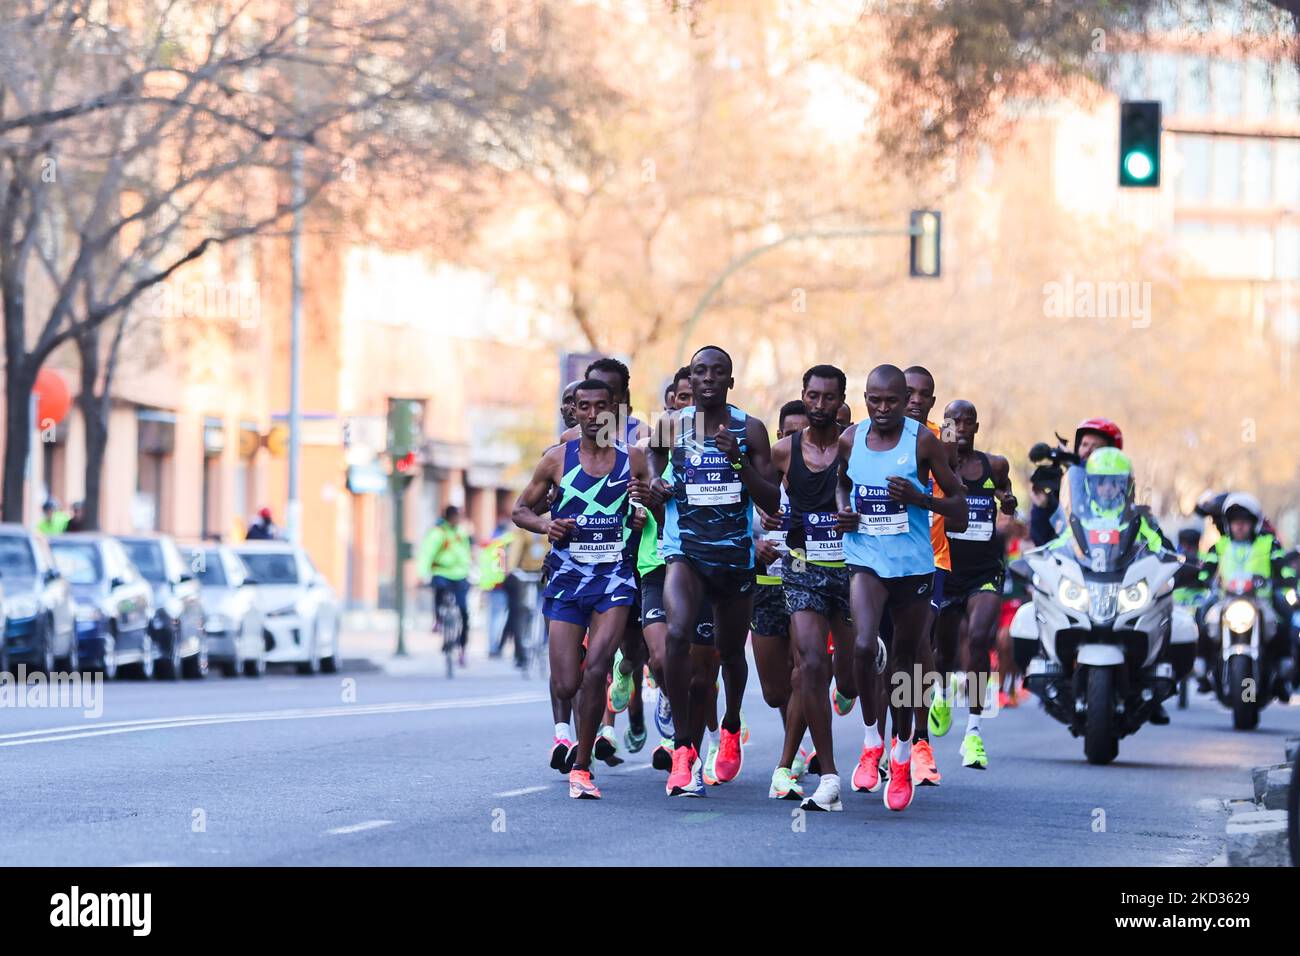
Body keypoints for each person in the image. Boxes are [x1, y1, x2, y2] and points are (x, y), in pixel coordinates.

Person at [816, 364, 966, 815]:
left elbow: (958, 510)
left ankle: (903, 754)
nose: (882, 410)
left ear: (906, 402)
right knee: (863, 645)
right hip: (865, 557)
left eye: (892, 402)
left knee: (905, 661)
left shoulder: (923, 442)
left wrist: (922, 499)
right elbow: (841, 482)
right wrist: (845, 511)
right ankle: (870, 741)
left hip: (915, 566)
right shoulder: (851, 438)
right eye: (874, 401)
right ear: (864, 399)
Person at [643, 345, 780, 796]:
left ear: (730, 381)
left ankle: (732, 724)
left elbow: (772, 500)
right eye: (700, 371)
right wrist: (658, 482)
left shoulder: (751, 429)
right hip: (685, 550)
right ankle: (684, 748)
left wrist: (738, 460)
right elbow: (652, 460)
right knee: (678, 635)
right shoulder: (671, 425)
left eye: (716, 372)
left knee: (729, 653)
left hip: (735, 556)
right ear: (691, 378)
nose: (707, 379)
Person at [512, 379, 649, 799]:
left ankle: (583, 766)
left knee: (596, 671)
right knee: (567, 681)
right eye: (584, 406)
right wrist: (545, 525)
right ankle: (570, 736)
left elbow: (651, 504)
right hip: (568, 579)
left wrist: (643, 513)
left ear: (614, 411)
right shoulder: (556, 460)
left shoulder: (635, 459)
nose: (592, 415)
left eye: (601, 406)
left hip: (614, 579)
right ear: (576, 410)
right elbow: (520, 509)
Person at [773, 368, 856, 805]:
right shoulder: (784, 451)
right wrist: (761, 530)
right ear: (803, 397)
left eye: (828, 397)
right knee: (809, 665)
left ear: (841, 400)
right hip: (803, 566)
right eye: (812, 396)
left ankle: (866, 657)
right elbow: (756, 494)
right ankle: (829, 775)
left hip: (854, 568)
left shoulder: (859, 447)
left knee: (849, 677)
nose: (820, 404)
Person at [934, 399, 1018, 771]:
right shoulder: (934, 461)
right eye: (954, 421)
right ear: (944, 425)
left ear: (977, 427)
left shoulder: (992, 464)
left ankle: (974, 732)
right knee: (942, 651)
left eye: (968, 422)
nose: (961, 428)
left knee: (981, 637)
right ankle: (937, 692)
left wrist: (1007, 501)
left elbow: (1003, 488)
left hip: (984, 569)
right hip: (944, 568)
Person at [753, 398, 812, 798]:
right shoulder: (760, 478)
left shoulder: (820, 474)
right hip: (765, 586)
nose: (793, 439)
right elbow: (731, 521)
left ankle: (788, 761)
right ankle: (795, 726)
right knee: (776, 690)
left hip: (805, 583)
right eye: (787, 431)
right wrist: (755, 543)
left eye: (801, 433)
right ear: (778, 436)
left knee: (803, 672)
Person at [1196, 492, 1296, 700]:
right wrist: (1203, 578)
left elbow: (1284, 570)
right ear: (1228, 524)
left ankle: (1283, 671)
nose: (1239, 527)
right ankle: (1201, 664)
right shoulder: (1220, 546)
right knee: (1202, 611)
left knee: (1285, 613)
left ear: (1254, 524)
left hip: (1260, 601)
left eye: (1244, 522)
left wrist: (1284, 579)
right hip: (1226, 600)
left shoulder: (1269, 544)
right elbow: (1205, 571)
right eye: (1235, 522)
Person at [1029, 418, 1122, 546]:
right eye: (1084, 445)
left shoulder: (1118, 489)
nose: (1088, 450)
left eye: (1096, 447)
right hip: (1076, 562)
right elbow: (1043, 541)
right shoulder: (1066, 484)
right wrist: (1042, 507)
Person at [417, 505, 474, 667]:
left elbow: (468, 552)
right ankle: (439, 618)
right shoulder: (438, 533)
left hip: (460, 574)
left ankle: (462, 649)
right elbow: (426, 553)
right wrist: (422, 574)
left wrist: (472, 570)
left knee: (464, 612)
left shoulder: (462, 532)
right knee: (439, 588)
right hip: (441, 571)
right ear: (449, 517)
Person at [480, 514, 514, 658]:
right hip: (504, 583)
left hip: (491, 584)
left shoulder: (490, 544)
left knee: (494, 616)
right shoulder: (509, 541)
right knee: (501, 616)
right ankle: (496, 646)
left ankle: (493, 646)